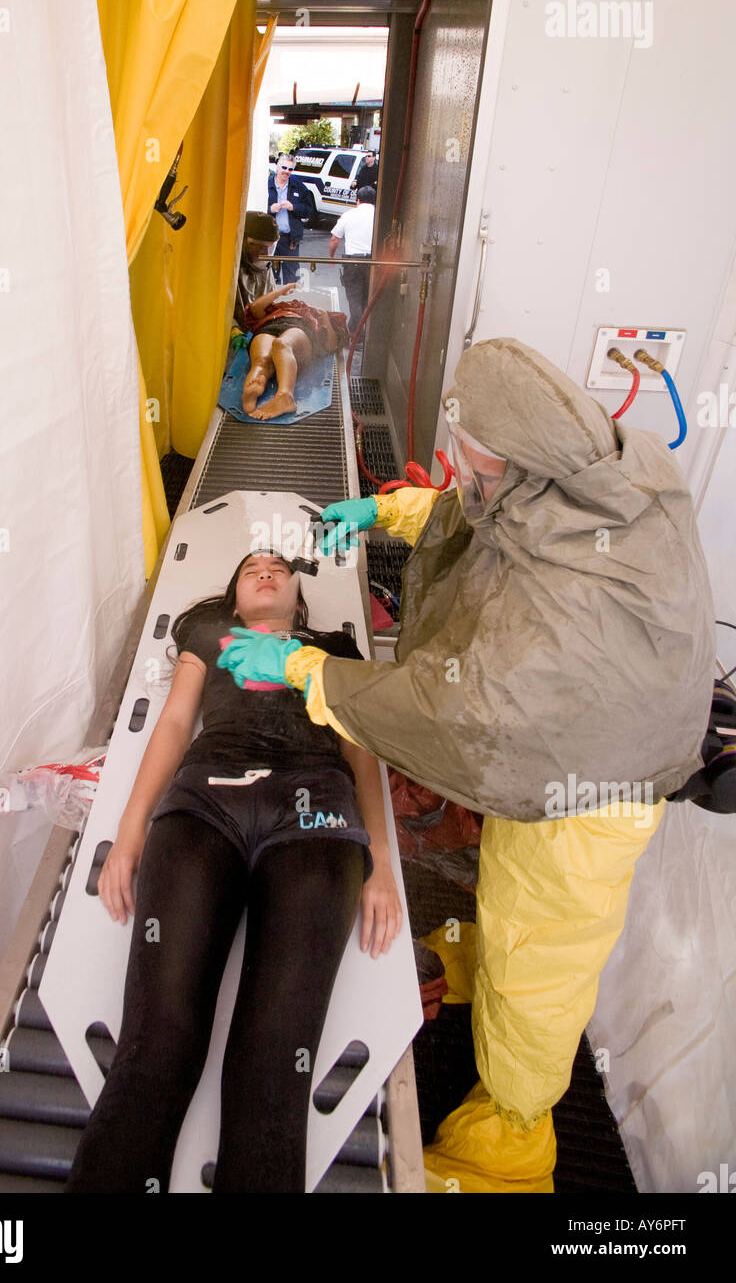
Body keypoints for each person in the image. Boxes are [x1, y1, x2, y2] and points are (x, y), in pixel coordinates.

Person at [217, 338, 716, 1193]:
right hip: (572, 751)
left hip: (592, 793)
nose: (466, 478)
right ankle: (481, 962)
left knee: (541, 953)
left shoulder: (570, 609)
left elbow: (458, 715)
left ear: (522, 461)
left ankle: (514, 1147)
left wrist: (306, 670)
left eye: (475, 465)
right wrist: (393, 513)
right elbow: (479, 514)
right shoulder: (579, 471)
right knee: (508, 906)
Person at [65, 551, 402, 1194]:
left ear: (299, 596)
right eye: (252, 569)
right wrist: (129, 834)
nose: (267, 571)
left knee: (276, 1063)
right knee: (156, 1046)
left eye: (278, 566)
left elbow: (363, 756)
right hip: (205, 804)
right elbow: (171, 724)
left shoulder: (332, 647)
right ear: (234, 594)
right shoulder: (209, 634)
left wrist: (381, 863)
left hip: (316, 816)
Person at [239, 288, 347, 421]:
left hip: (298, 327)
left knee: (282, 345)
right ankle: (253, 387)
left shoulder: (313, 314)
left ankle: (285, 395)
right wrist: (281, 291)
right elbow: (255, 307)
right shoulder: (275, 308)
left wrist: (324, 316)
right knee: (262, 360)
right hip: (268, 326)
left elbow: (331, 345)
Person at [328, 185, 376, 345]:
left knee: (354, 299)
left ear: (358, 200)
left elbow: (335, 239)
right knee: (366, 298)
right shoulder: (378, 215)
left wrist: (332, 257)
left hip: (352, 263)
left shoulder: (348, 215)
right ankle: (357, 332)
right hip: (373, 262)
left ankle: (355, 335)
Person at [267, 154, 314, 283]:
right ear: (277, 167)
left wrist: (294, 207)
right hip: (268, 239)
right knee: (269, 276)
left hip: (290, 240)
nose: (286, 171)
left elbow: (309, 210)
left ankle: (289, 302)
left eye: (290, 169)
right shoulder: (265, 185)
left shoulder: (299, 187)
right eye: (284, 167)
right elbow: (253, 208)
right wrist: (270, 209)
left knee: (291, 278)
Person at [233, 210, 280, 330]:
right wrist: (234, 329)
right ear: (245, 243)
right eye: (262, 248)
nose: (266, 254)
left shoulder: (264, 267)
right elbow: (220, 307)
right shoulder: (232, 269)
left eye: (270, 248)